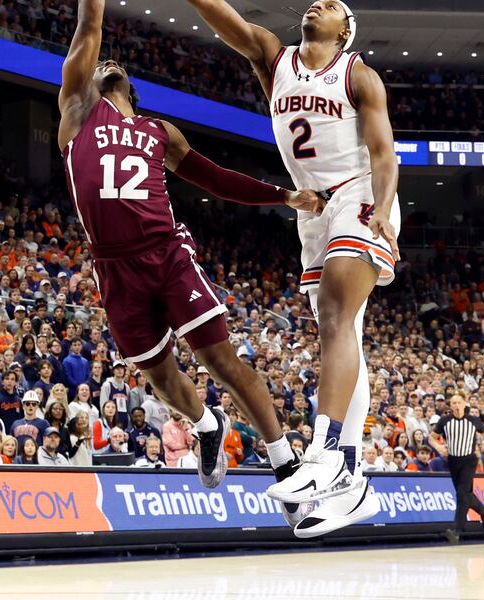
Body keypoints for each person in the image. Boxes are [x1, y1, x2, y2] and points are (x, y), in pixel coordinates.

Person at [56, 0, 315, 524]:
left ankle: (286, 467)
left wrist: (284, 196)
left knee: (221, 360)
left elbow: (214, 177)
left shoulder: (161, 132)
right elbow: (89, 24)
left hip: (167, 253)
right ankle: (206, 423)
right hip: (114, 267)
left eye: (115, 65)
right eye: (101, 63)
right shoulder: (78, 112)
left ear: (131, 88)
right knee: (161, 377)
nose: (107, 63)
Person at [190, 0, 402, 537]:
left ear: (345, 31)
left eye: (331, 5)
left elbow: (384, 154)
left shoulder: (358, 75)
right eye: (315, 1)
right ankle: (353, 482)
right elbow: (229, 22)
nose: (317, 4)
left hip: (358, 193)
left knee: (334, 314)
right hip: (312, 206)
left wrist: (382, 207)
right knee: (343, 333)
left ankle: (325, 451)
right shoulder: (274, 56)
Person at [431, 395, 484, 541]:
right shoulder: (444, 420)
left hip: (468, 460)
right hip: (453, 460)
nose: (457, 405)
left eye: (459, 402)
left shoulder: (473, 420)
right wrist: (438, 447)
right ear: (451, 406)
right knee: (465, 494)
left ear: (464, 404)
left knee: (461, 493)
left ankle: (456, 530)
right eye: (454, 403)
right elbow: (432, 437)